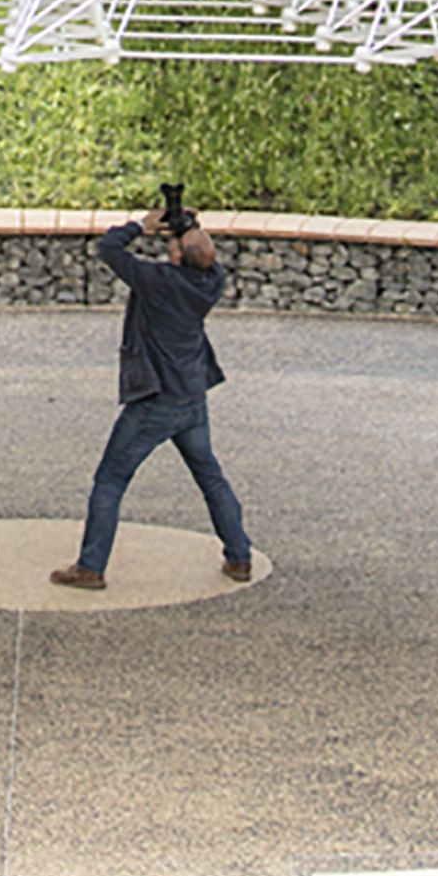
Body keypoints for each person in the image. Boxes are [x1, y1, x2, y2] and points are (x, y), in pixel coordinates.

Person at [51, 198, 253, 591]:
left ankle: (91, 567)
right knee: (210, 476)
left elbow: (108, 249)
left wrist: (141, 225)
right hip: (192, 398)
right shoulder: (211, 280)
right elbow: (204, 256)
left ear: (176, 257)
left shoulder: (159, 281)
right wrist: (186, 228)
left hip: (155, 400)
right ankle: (239, 556)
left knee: (110, 479)